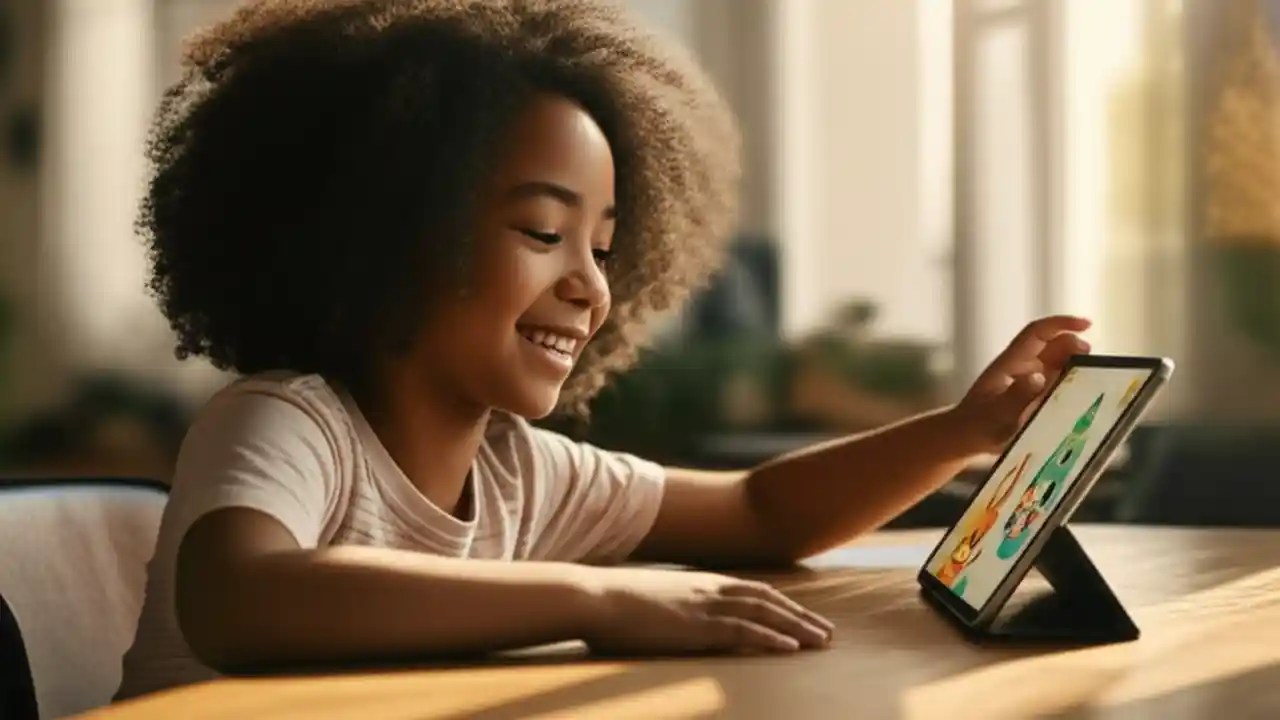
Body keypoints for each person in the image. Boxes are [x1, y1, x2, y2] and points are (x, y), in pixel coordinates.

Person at [114, 0, 1091, 699]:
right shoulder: (289, 422)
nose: (590, 286)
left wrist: (962, 431)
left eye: (605, 246)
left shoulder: (520, 470)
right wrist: (596, 595)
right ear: (384, 233)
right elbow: (239, 596)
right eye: (542, 233)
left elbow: (757, 512)